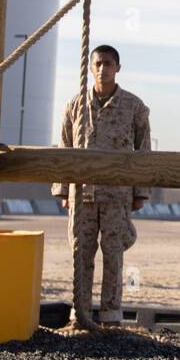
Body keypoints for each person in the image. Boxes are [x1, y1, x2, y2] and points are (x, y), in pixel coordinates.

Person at [52, 44, 151, 331]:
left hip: (116, 195)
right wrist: (62, 191)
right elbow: (64, 147)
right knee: (81, 253)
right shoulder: (75, 105)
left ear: (118, 67)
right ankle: (80, 314)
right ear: (90, 67)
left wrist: (140, 192)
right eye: (97, 63)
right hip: (82, 194)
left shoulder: (134, 107)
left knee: (113, 254)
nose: (102, 69)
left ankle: (110, 316)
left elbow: (142, 151)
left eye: (108, 63)